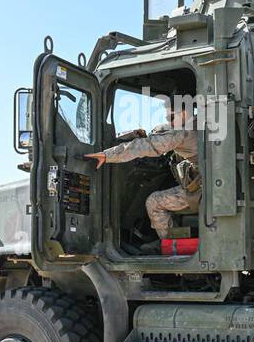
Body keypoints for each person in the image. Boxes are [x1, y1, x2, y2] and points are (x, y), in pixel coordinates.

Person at [85, 101, 201, 243]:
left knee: (154, 202)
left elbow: (147, 145)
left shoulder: (183, 133)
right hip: (208, 186)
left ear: (184, 113)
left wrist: (107, 155)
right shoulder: (202, 125)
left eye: (171, 118)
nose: (169, 123)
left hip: (202, 191)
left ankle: (173, 248)